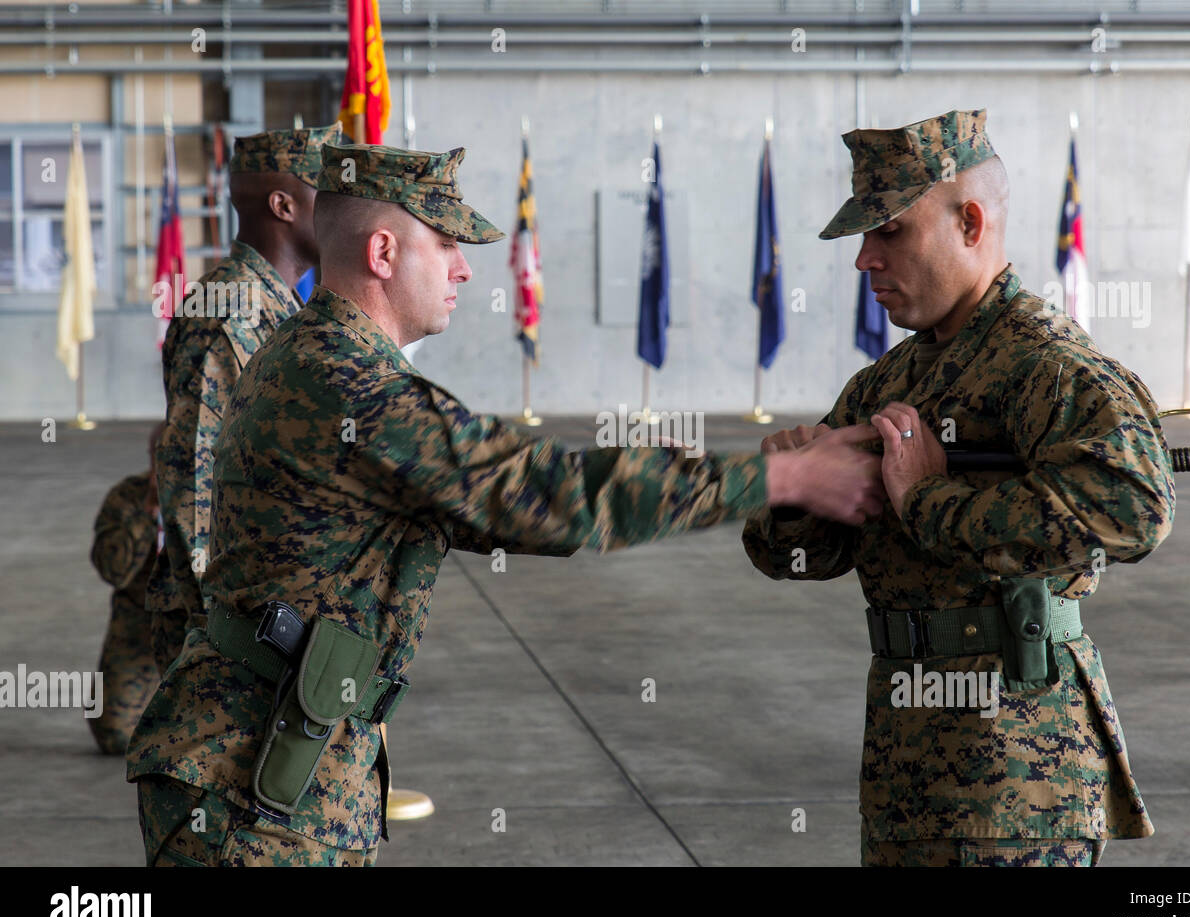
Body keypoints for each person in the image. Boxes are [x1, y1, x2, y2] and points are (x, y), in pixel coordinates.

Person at [126, 142, 879, 866]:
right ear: (383, 254)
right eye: (447, 245)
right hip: (250, 778)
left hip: (279, 754)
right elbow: (547, 494)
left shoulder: (313, 353)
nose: (462, 269)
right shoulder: (348, 384)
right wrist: (780, 481)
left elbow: (498, 503)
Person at [742, 108, 1176, 867]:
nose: (863, 261)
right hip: (908, 766)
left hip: (1016, 769)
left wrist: (927, 502)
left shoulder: (1047, 364)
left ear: (970, 222)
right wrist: (793, 495)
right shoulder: (892, 380)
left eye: (890, 232)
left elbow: (1136, 509)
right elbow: (797, 559)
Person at [146, 123, 342, 675]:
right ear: (282, 204)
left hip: (260, 613)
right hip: (225, 632)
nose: (339, 211)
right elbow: (193, 483)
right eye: (324, 196)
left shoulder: (278, 311)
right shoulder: (229, 314)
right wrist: (223, 638)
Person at [88, 424, 165, 754]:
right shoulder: (127, 497)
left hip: (201, 626)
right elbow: (114, 572)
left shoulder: (216, 495)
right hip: (140, 623)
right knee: (115, 736)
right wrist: (148, 513)